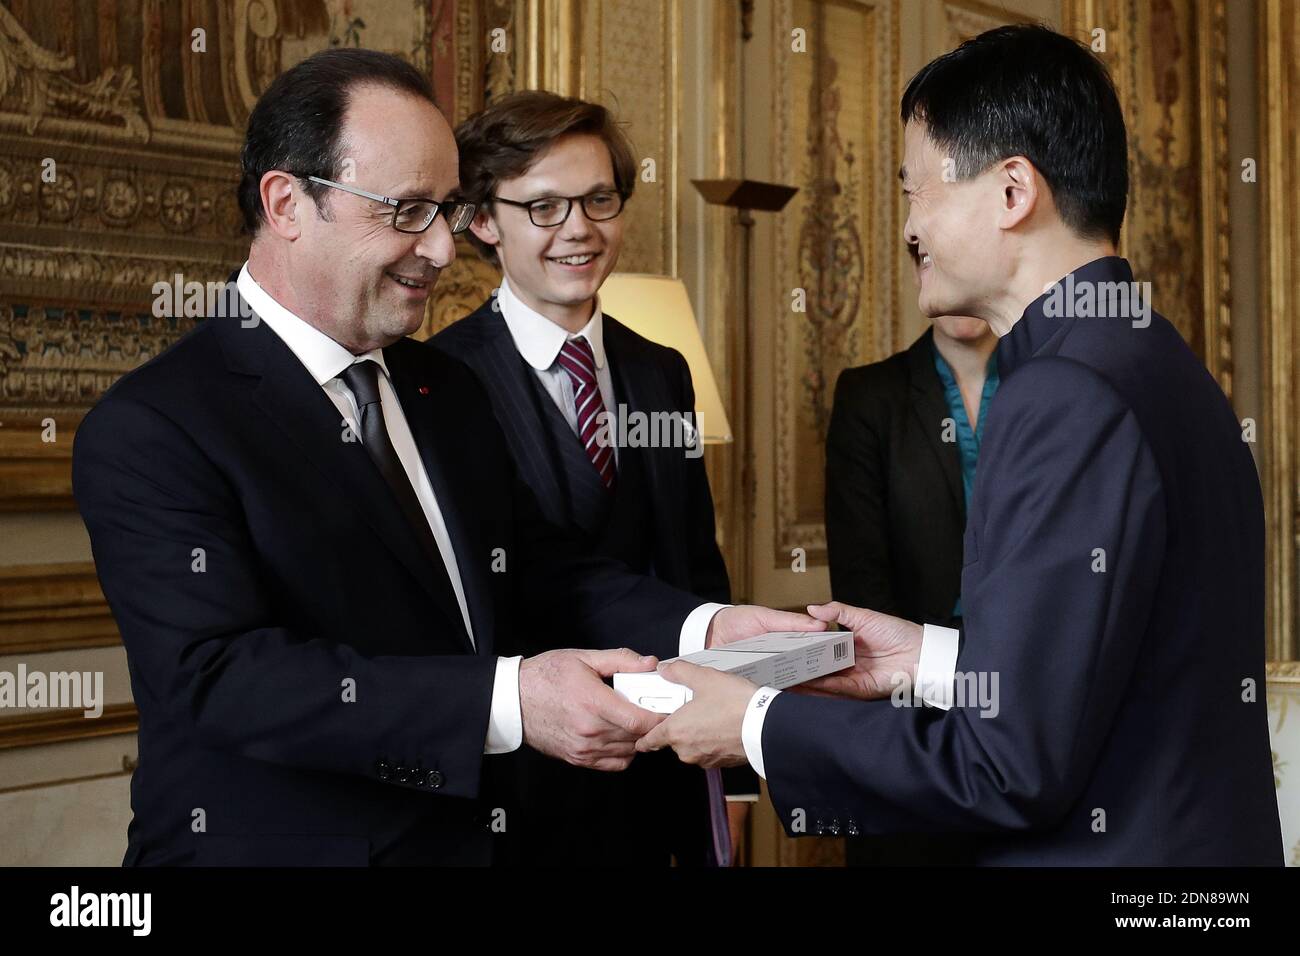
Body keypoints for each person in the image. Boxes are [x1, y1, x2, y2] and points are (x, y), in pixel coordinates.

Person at [72, 48, 817, 866]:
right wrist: (509, 701)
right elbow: (222, 677)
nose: (438, 249)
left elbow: (539, 570)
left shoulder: (443, 388)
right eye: (406, 211)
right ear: (287, 202)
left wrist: (710, 625)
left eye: (447, 211)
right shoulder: (154, 425)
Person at [640, 24, 1283, 865]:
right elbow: (1100, 677)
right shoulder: (1152, 354)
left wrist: (755, 724)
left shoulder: (1063, 390)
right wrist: (928, 660)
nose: (907, 225)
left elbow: (1008, 767)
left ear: (1013, 191)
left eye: (915, 191)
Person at [433, 90, 757, 866]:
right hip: (521, 794)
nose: (578, 228)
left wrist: (735, 775)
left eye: (598, 199)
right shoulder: (439, 381)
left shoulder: (663, 370)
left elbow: (695, 565)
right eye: (542, 207)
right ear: (484, 222)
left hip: (667, 769)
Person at [826, 295, 998, 866]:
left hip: (1030, 697)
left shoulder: (1052, 388)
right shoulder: (870, 395)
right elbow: (861, 586)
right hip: (908, 712)